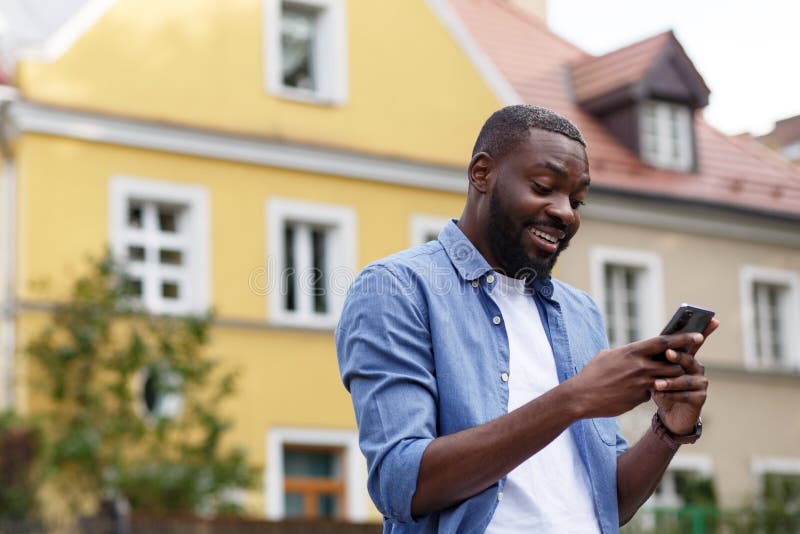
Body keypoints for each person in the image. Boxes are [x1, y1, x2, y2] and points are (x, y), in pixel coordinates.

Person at [335, 105, 718, 533]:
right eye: (543, 187)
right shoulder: (396, 289)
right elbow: (399, 483)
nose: (566, 213)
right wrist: (573, 399)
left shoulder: (580, 312)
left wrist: (668, 430)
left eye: (577, 200)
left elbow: (607, 505)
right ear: (482, 174)